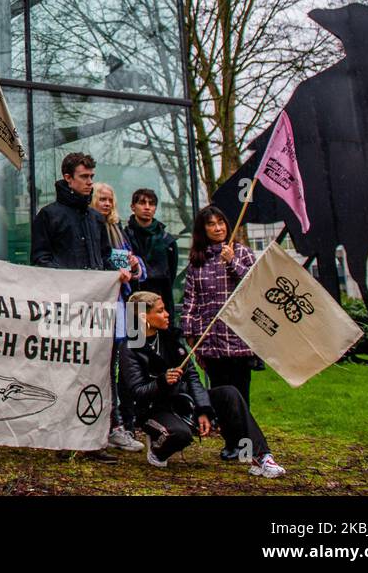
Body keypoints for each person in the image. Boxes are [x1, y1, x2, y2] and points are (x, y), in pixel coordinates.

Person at [30, 153, 136, 463]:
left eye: (92, 176)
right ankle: (62, 438)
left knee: (99, 373)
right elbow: (40, 259)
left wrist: (115, 273)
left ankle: (94, 440)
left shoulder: (95, 219)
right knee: (65, 372)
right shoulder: (48, 215)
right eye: (84, 177)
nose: (90, 182)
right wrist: (71, 283)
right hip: (66, 309)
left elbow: (104, 259)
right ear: (68, 177)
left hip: (98, 309)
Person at [121, 291, 285, 478]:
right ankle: (158, 450)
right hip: (153, 409)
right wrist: (162, 381)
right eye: (160, 311)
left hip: (183, 400)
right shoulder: (129, 349)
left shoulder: (171, 340)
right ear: (144, 317)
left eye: (165, 309)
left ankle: (260, 457)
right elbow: (137, 392)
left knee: (229, 393)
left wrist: (203, 409)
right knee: (179, 434)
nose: (167, 314)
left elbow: (191, 376)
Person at [181, 205, 259, 439]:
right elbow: (190, 299)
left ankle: (245, 441)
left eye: (221, 223)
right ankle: (230, 440)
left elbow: (256, 285)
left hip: (238, 339)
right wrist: (189, 332)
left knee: (240, 393)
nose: (218, 228)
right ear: (203, 230)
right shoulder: (197, 261)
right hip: (211, 340)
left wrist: (233, 261)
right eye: (212, 224)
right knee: (221, 393)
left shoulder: (242, 252)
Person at [91, 182, 146, 455]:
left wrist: (134, 265)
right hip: (98, 307)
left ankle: (120, 423)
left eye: (110, 198)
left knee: (120, 365)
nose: (107, 203)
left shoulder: (118, 230)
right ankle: (107, 424)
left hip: (121, 307)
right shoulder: (92, 228)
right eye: (101, 198)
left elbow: (137, 265)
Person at [124, 188, 179, 318]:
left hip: (160, 300)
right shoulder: (123, 237)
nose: (147, 207)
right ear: (133, 207)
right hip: (132, 301)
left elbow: (171, 275)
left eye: (151, 203)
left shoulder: (167, 241)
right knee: (136, 336)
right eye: (142, 203)